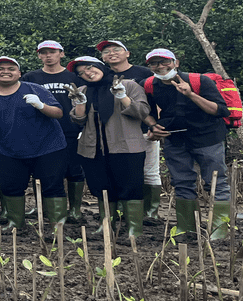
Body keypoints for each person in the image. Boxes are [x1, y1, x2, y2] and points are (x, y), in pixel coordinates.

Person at [0, 57, 68, 231]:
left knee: (52, 187)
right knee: (11, 187)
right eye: (0, 69)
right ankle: (16, 224)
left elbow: (58, 113)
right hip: (10, 150)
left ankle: (56, 226)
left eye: (11, 68)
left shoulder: (35, 90)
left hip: (48, 147)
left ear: (19, 73)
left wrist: (41, 105)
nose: (6, 71)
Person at [142, 48, 232, 240]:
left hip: (208, 138)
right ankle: (187, 229)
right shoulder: (149, 85)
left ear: (176, 63)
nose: (160, 66)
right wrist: (153, 126)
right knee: (181, 183)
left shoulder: (200, 81)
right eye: (154, 63)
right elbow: (146, 111)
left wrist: (191, 94)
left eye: (164, 61)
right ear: (150, 67)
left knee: (216, 183)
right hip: (176, 139)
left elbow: (221, 110)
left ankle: (220, 232)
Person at [67, 56, 151, 237]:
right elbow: (78, 120)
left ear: (99, 66)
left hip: (126, 147)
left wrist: (122, 97)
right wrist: (80, 103)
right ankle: (106, 225)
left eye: (89, 68)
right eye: (81, 72)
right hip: (92, 147)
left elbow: (142, 112)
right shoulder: (82, 89)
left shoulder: (128, 85)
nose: (87, 73)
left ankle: (134, 229)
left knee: (131, 187)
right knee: (101, 187)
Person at [97, 40, 164, 222]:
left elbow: (157, 100)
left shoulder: (143, 73)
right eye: (106, 51)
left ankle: (150, 212)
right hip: (115, 132)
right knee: (119, 172)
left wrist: (155, 125)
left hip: (143, 128)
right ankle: (122, 210)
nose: (111, 53)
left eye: (116, 49)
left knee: (150, 171)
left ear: (128, 53)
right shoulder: (102, 75)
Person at [22, 40, 86, 223]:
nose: (48, 56)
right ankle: (39, 205)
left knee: (74, 169)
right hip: (40, 131)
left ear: (62, 54)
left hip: (70, 129)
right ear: (39, 55)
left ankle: (75, 209)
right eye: (43, 52)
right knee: (40, 170)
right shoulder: (31, 77)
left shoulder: (74, 77)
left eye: (52, 52)